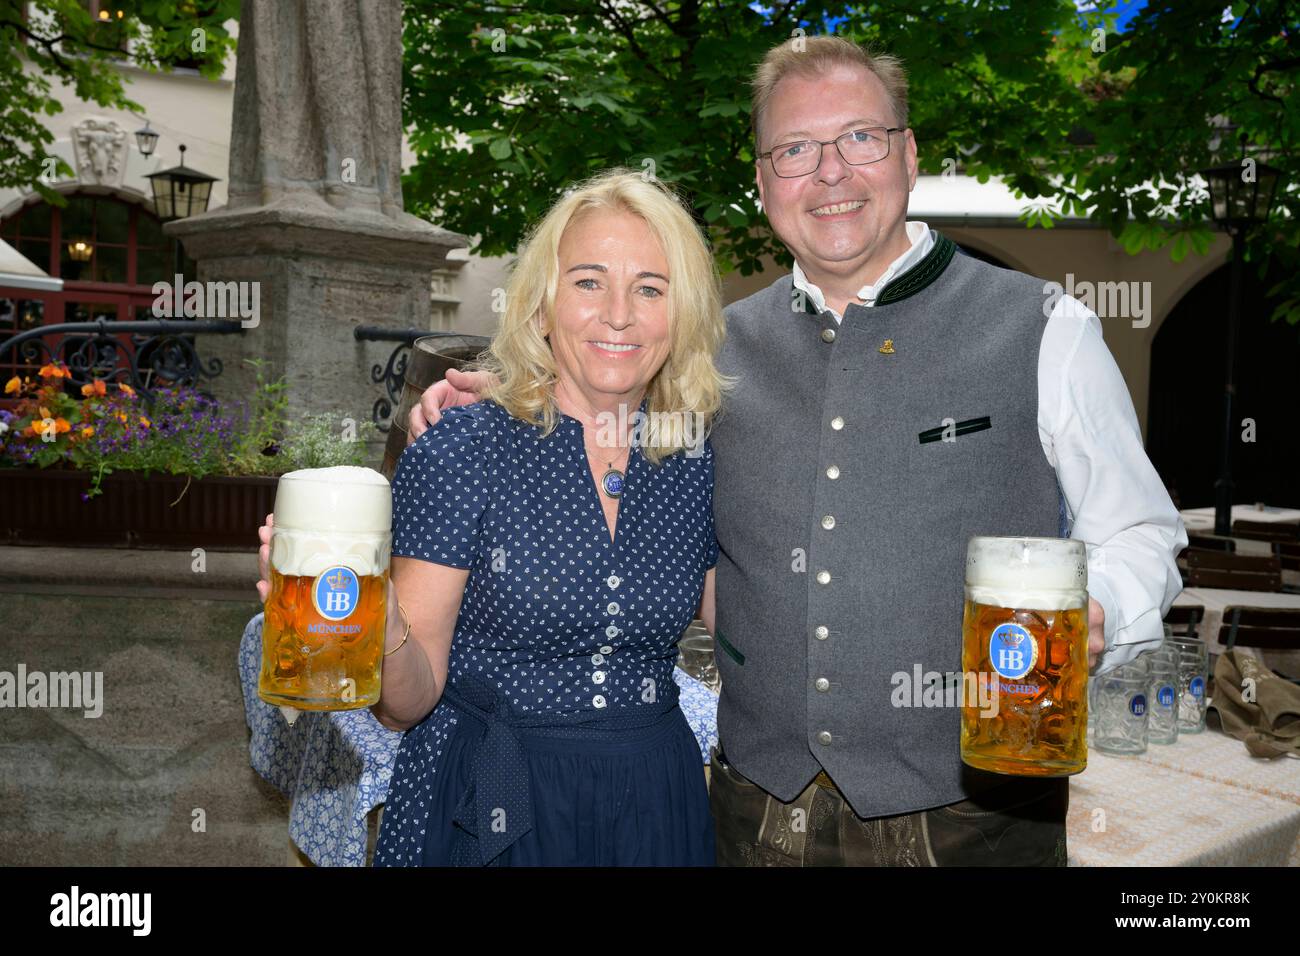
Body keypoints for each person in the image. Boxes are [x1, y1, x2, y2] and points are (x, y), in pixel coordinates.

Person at [411, 37, 1187, 867]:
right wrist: (488, 394)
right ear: (761, 180)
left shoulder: (1043, 327)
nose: (830, 172)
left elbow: (1141, 531)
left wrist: (1098, 607)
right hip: (753, 818)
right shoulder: (710, 353)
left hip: (973, 819)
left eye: (860, 136)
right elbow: (596, 383)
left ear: (909, 154)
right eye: (794, 150)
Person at [258, 169, 728, 865]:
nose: (620, 314)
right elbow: (405, 704)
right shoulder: (463, 450)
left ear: (679, 313)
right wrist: (380, 625)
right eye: (589, 282)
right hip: (492, 804)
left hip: (656, 802)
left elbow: (753, 641)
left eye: (650, 288)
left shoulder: (693, 458)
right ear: (540, 307)